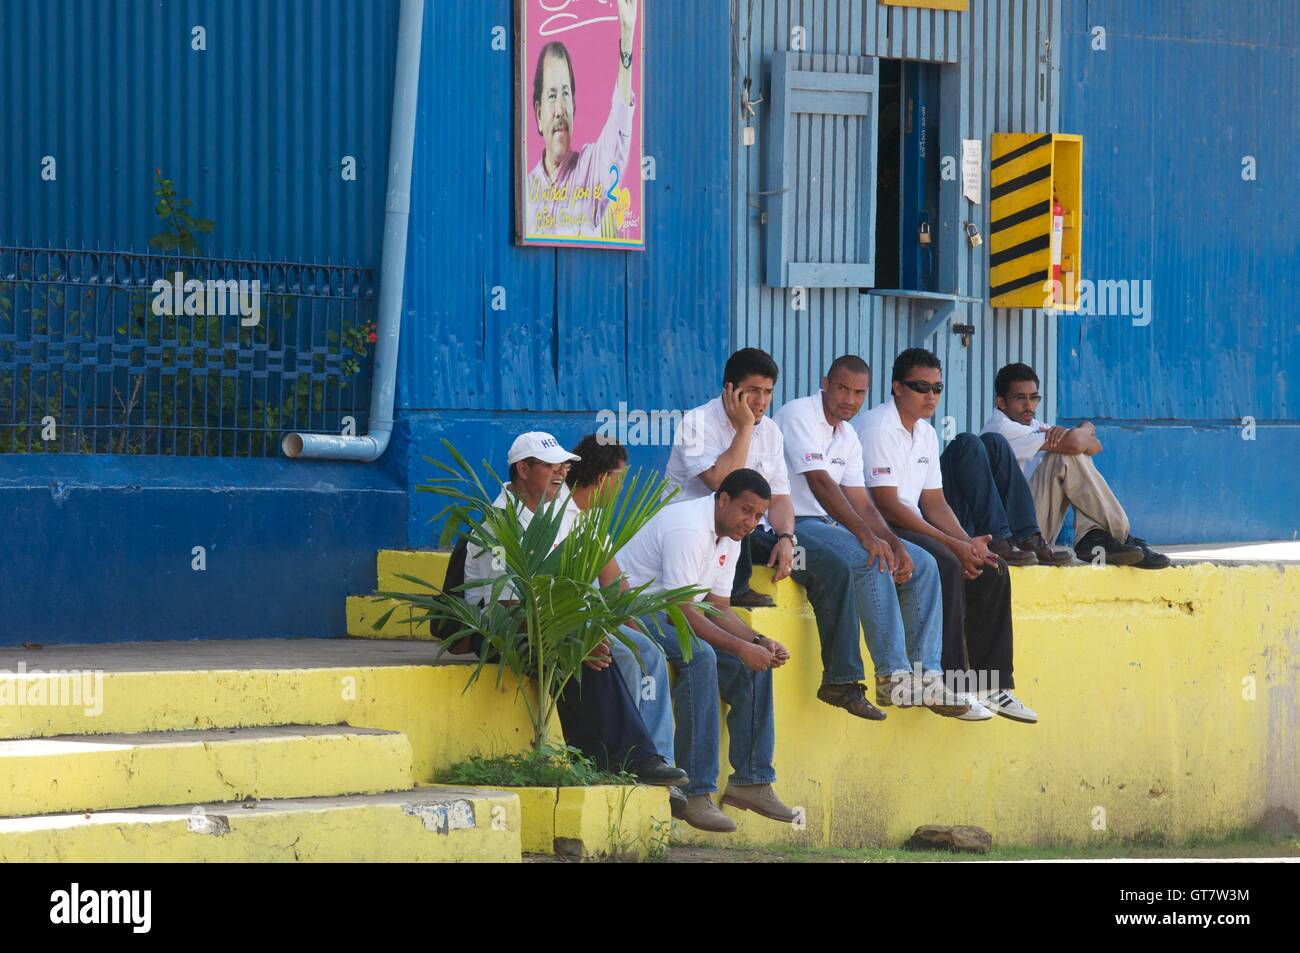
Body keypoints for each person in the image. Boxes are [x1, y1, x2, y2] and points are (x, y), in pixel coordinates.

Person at [462, 431, 686, 784]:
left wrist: (607, 627)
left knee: (624, 649)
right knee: (594, 653)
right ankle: (625, 761)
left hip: (555, 625)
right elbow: (508, 605)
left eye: (563, 465)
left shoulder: (561, 515)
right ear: (523, 468)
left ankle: (639, 759)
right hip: (507, 631)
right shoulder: (498, 523)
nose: (561, 472)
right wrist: (574, 637)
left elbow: (608, 576)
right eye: (550, 465)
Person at [773, 356, 988, 722]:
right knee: (868, 559)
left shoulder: (848, 434)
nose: (850, 400)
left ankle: (928, 675)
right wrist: (868, 540)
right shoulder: (799, 414)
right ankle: (892, 675)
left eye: (859, 393)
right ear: (825, 383)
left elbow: (861, 502)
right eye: (842, 389)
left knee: (921, 562)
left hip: (831, 524)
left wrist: (892, 542)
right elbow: (822, 485)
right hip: (798, 523)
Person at [856, 350, 1039, 723]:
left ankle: (991, 685)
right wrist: (953, 547)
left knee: (992, 567)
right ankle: (950, 685)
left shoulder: (923, 432)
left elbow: (935, 502)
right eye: (920, 387)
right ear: (896, 387)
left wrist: (968, 543)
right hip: (881, 525)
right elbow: (888, 505)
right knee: (946, 564)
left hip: (912, 520)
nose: (930, 395)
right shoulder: (877, 427)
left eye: (937, 387)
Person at [618, 468, 795, 833]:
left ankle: (752, 780)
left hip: (673, 613)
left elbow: (719, 606)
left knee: (752, 665)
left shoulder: (731, 535)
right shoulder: (688, 526)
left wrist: (758, 642)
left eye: (759, 516)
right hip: (632, 609)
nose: (751, 522)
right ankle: (696, 792)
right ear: (723, 499)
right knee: (701, 656)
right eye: (746, 510)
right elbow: (680, 608)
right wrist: (742, 648)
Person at [564, 434, 679, 783]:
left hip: (595, 617)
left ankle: (654, 756)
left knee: (649, 651)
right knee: (631, 654)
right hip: (568, 621)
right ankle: (625, 755)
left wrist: (635, 629)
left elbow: (616, 588)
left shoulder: (591, 521)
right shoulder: (561, 516)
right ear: (602, 479)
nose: (620, 488)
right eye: (621, 479)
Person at [982, 363, 1168, 569]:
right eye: (1020, 398)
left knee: (1069, 454)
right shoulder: (1001, 429)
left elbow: (1095, 447)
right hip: (1016, 538)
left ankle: (1094, 536)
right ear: (1001, 402)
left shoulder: (1031, 424)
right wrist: (1085, 428)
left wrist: (1082, 429)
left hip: (1037, 531)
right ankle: (1118, 536)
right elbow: (1076, 444)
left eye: (1034, 397)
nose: (1029, 406)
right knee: (1064, 456)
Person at [665, 348, 795, 608]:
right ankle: (736, 590)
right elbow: (719, 483)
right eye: (753, 390)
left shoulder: (771, 432)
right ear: (730, 390)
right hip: (692, 534)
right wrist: (746, 427)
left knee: (829, 564)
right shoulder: (696, 422)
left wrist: (786, 538)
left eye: (768, 392)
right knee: (741, 505)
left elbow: (779, 497)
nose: (761, 401)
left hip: (747, 533)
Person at [523, 0, 638, 239]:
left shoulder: (588, 168)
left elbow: (617, 128)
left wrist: (627, 36)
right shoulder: (526, 190)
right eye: (552, 95)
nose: (559, 109)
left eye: (565, 94)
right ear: (537, 114)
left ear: (574, 106)